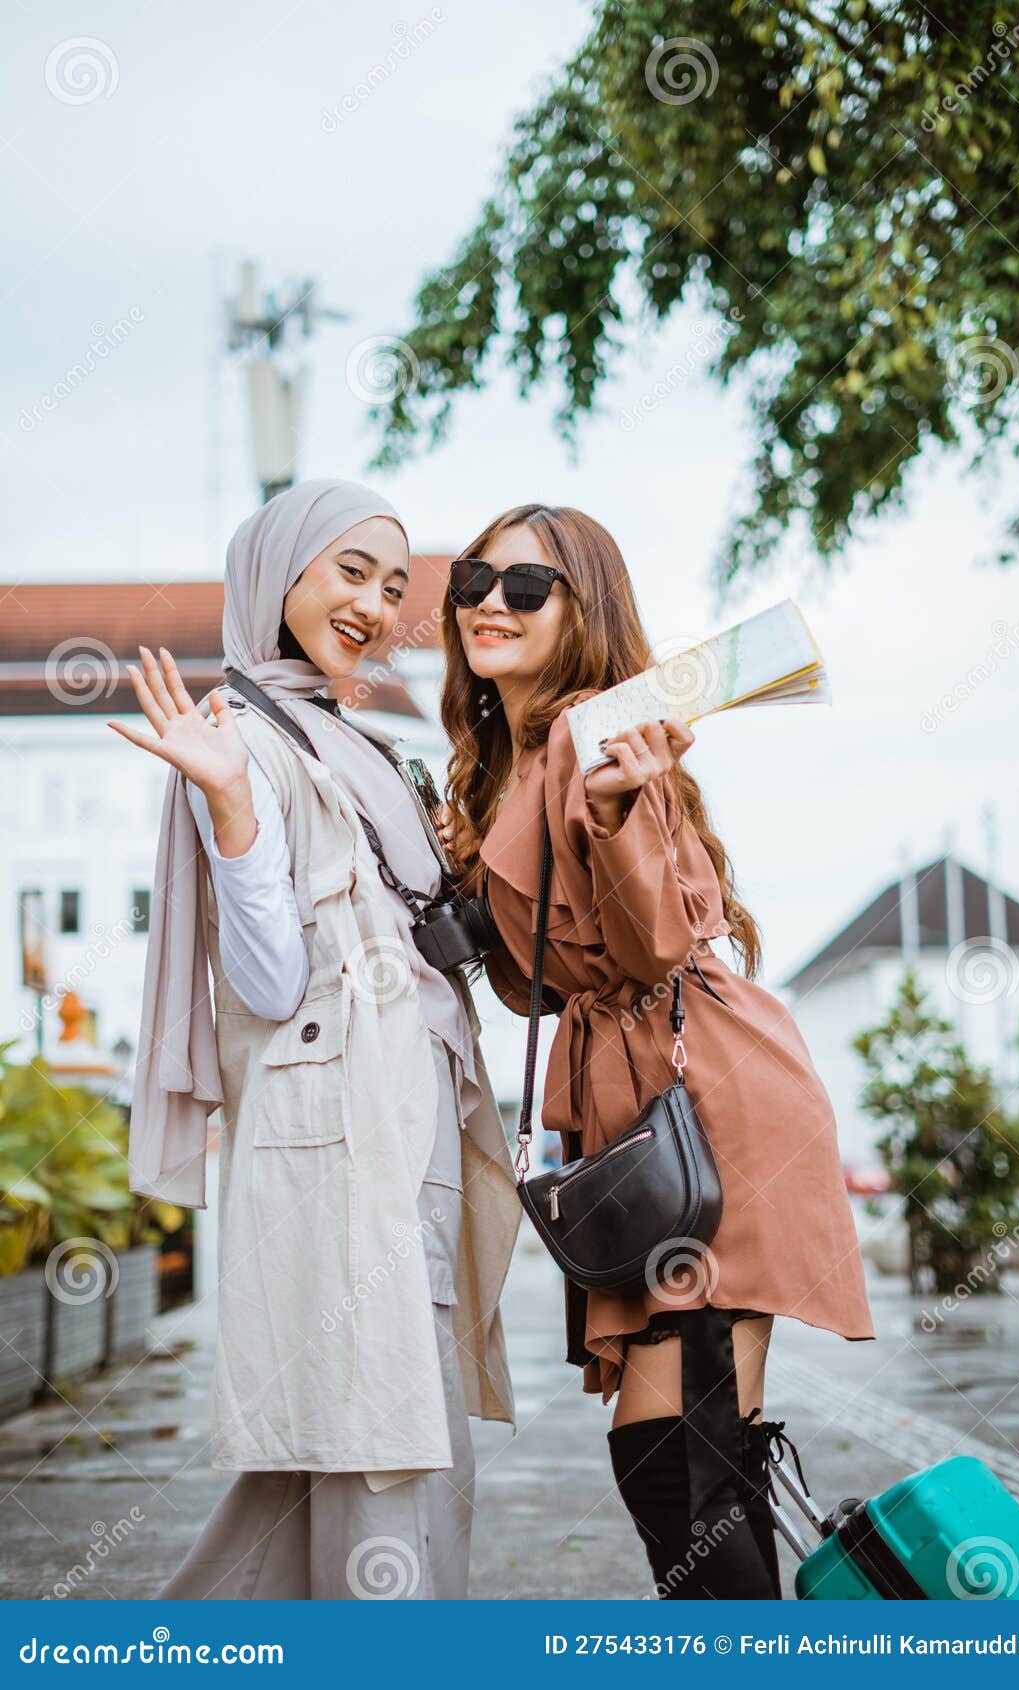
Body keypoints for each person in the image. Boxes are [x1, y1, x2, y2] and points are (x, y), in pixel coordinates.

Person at [437, 503, 874, 1600]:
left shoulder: (601, 732)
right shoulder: (512, 759)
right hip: (641, 1112)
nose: (491, 601)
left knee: (680, 1453)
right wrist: (470, 882)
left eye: (527, 588)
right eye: (473, 579)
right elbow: (536, 989)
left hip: (714, 1108)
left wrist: (621, 811)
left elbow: (661, 941)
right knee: (683, 1454)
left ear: (583, 611)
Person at [112, 479, 520, 1600]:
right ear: (277, 573)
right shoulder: (240, 738)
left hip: (412, 1124)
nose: (377, 605)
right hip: (343, 1141)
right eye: (351, 571)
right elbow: (270, 978)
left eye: (394, 587)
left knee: (346, 1457)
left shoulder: (360, 746)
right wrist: (234, 813)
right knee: (378, 1452)